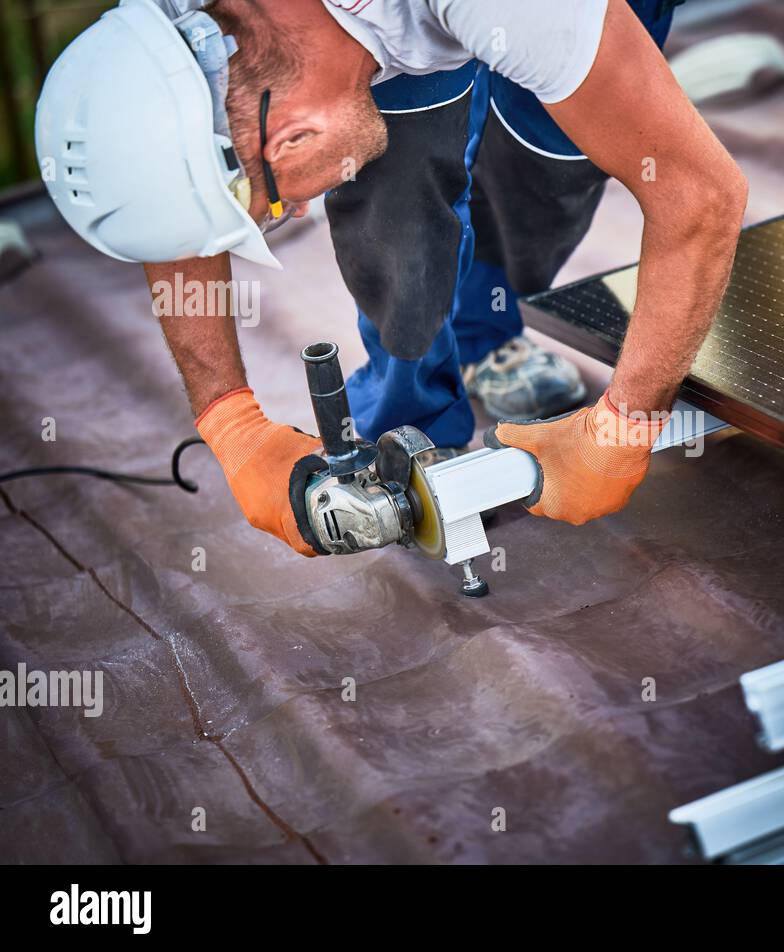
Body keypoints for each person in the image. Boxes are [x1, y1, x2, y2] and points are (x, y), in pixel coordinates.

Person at [35, 0, 746, 555]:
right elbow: (181, 188)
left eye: (277, 204)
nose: (302, 208)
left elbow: (701, 195)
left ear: (292, 136)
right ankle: (421, 419)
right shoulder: (165, 41)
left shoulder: (531, 14)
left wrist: (626, 425)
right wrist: (230, 420)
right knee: (392, 204)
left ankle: (484, 327)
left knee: (551, 167)